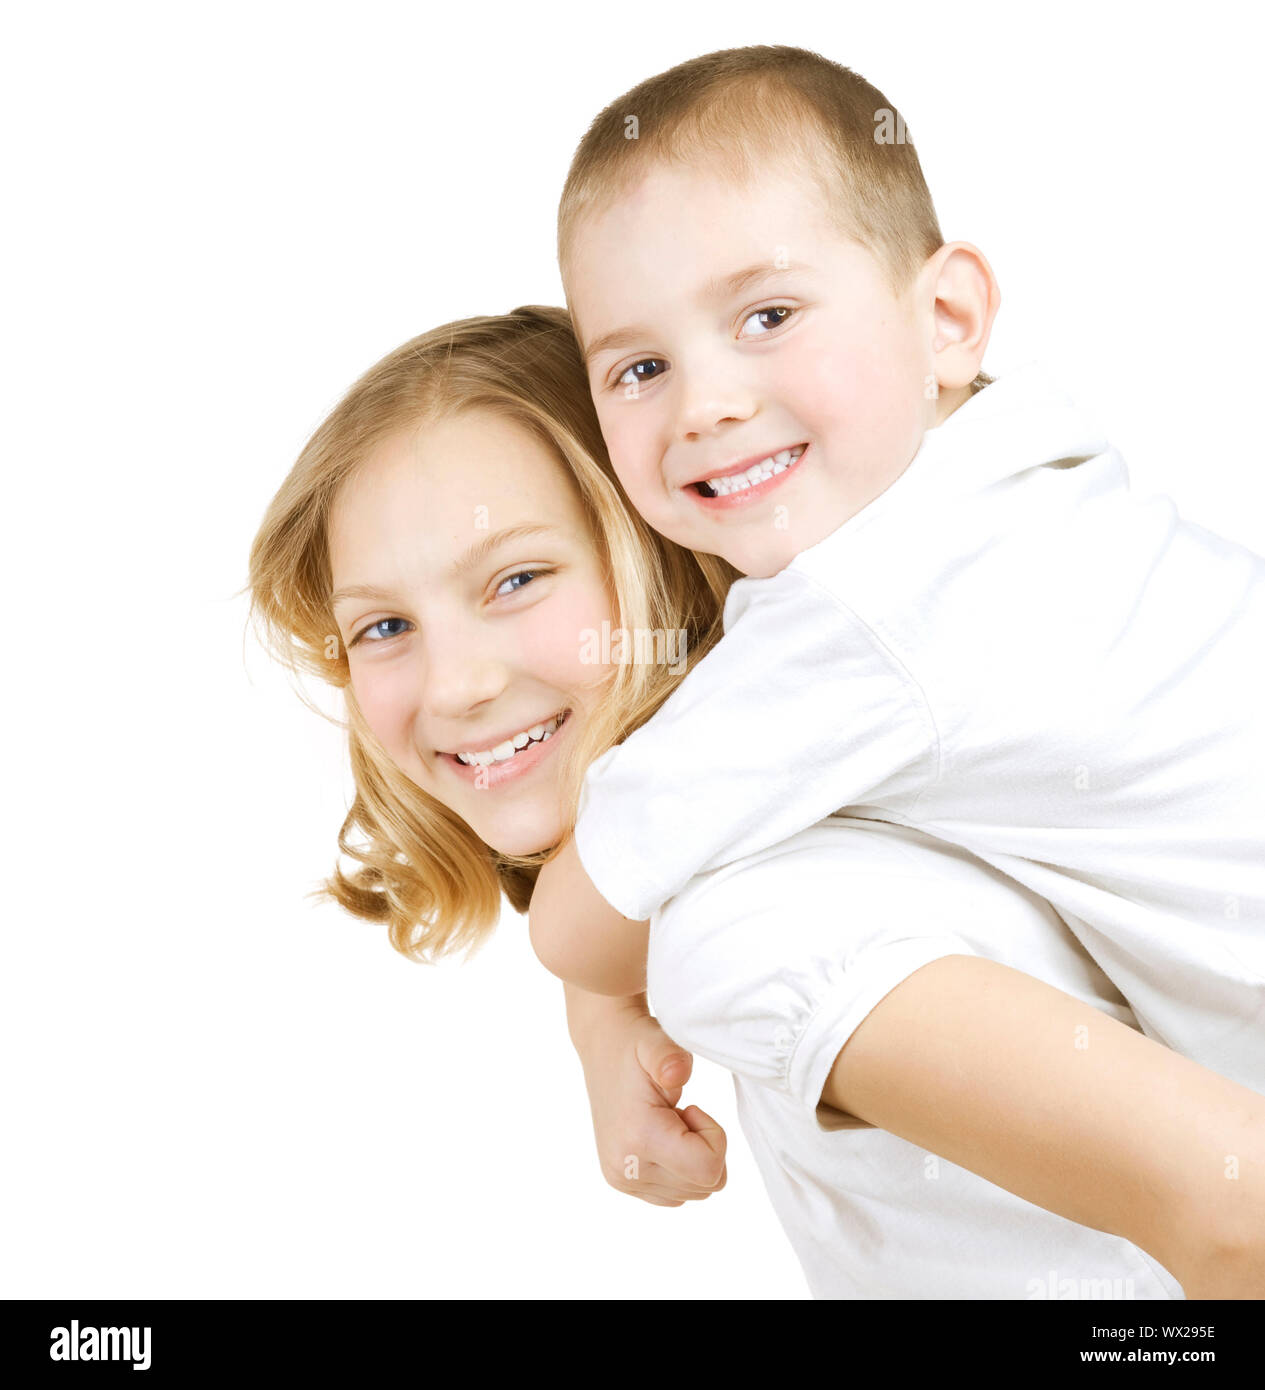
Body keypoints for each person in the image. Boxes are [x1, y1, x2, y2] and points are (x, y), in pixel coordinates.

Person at [247, 306, 1265, 1297]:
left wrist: (598, 970)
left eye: (516, 578)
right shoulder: (790, 817)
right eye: (381, 627)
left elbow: (1240, 1215)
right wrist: (596, 999)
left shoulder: (742, 923)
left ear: (669, 545)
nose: (454, 684)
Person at [528, 47, 1265, 1100]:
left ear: (945, 318)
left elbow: (579, 924)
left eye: (767, 317)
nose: (703, 405)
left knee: (727, 937)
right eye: (640, 369)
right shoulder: (1022, 466)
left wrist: (600, 1026)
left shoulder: (866, 605)